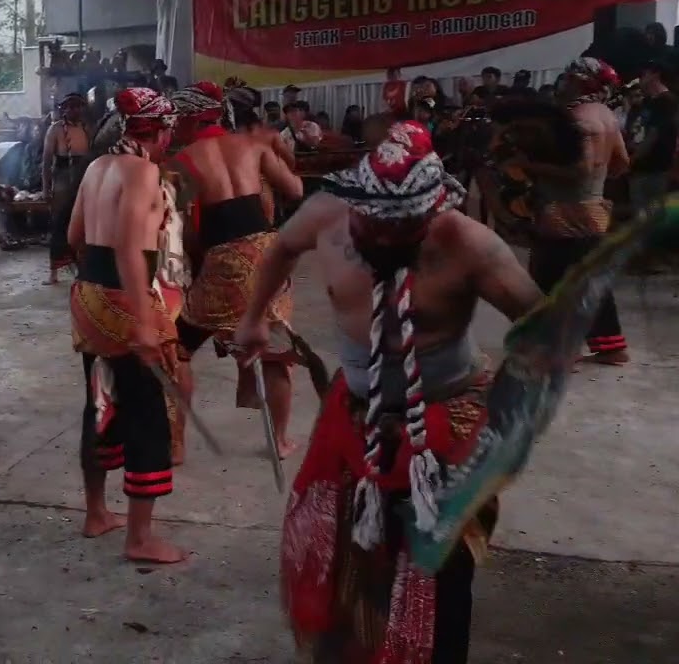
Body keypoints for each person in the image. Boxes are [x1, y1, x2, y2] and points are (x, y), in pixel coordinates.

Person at [234, 120, 544, 663]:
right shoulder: (328, 214)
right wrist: (254, 317)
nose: (380, 239)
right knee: (352, 548)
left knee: (440, 561)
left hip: (448, 414)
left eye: (400, 231)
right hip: (357, 415)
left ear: (432, 212)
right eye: (372, 226)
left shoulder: (467, 243)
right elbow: (281, 248)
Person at [68, 87, 186, 564]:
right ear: (158, 131)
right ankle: (140, 538)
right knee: (147, 413)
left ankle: (97, 513)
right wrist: (140, 321)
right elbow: (127, 247)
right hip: (123, 297)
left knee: (100, 402)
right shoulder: (145, 172)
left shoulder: (97, 167)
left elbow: (76, 235)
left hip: (88, 295)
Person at [169, 85, 304, 458]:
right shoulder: (252, 145)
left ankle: (175, 443)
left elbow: (182, 229)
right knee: (274, 352)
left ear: (190, 120)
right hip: (269, 253)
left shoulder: (181, 162)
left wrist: (198, 265)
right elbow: (294, 189)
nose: (173, 129)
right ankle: (278, 441)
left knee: (177, 347)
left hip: (224, 257)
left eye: (176, 122)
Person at [531, 57, 629, 363]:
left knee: (548, 278)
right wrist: (598, 181)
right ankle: (613, 348)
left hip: (565, 214)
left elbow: (580, 169)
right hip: (594, 210)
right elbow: (622, 163)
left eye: (569, 78)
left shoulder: (577, 119)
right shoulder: (608, 117)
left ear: (578, 82)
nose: (564, 83)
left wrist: (527, 165)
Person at [44, 94, 91, 284]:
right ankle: (54, 272)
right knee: (59, 224)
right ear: (64, 109)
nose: (74, 110)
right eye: (70, 107)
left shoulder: (88, 128)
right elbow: (46, 162)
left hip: (85, 177)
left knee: (85, 225)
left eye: (78, 106)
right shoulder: (55, 130)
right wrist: (46, 188)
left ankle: (83, 269)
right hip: (63, 179)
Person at [628, 60, 677, 218]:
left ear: (655, 75)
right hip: (642, 170)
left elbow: (653, 135)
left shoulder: (667, 101)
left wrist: (631, 160)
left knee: (649, 221)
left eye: (644, 74)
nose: (641, 78)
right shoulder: (649, 102)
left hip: (654, 170)